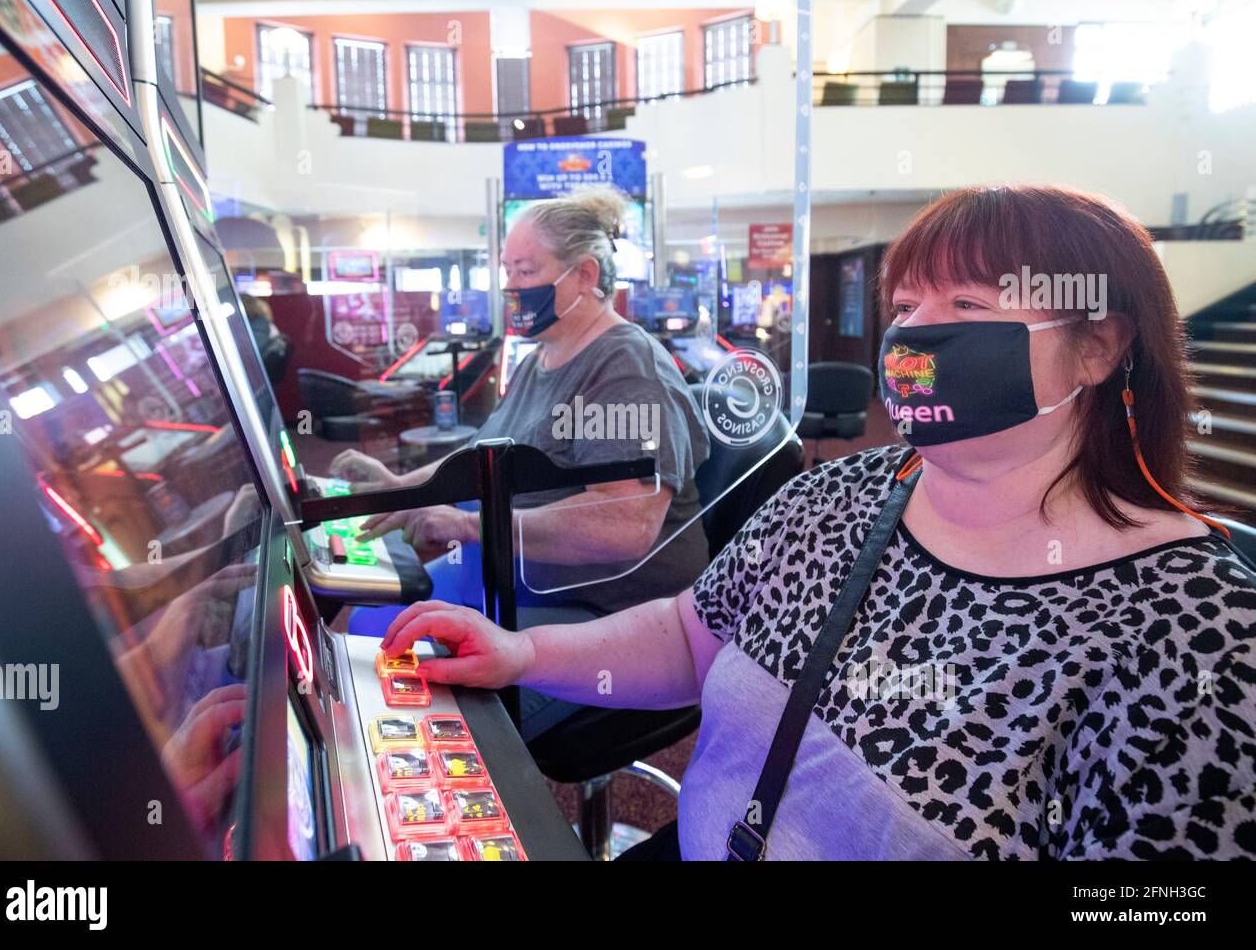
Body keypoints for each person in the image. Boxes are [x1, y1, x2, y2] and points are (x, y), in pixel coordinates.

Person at [372, 185, 1256, 860]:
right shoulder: (841, 494)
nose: (915, 336)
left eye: (966, 307)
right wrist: (526, 653)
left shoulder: (1193, 628)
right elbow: (693, 636)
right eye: (906, 307)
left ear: (1099, 346)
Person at [333, 186, 711, 631]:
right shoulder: (542, 357)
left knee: (386, 638)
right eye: (507, 271)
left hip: (606, 616)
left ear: (585, 275)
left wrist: (472, 526)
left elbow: (624, 525)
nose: (511, 286)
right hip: (516, 574)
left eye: (526, 271)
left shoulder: (626, 367)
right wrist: (402, 488)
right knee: (369, 619)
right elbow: (480, 459)